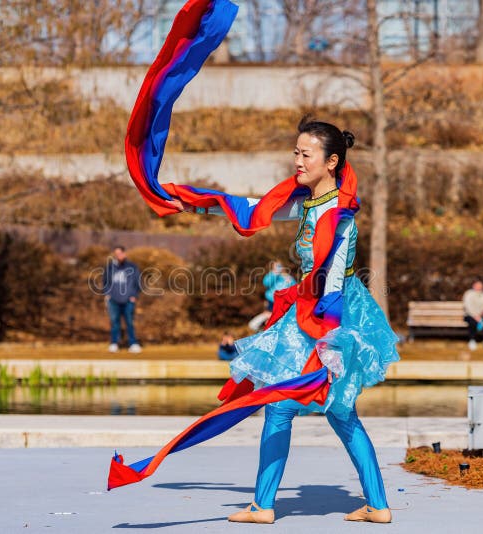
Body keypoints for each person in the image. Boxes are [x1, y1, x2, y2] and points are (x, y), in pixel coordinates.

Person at [167, 119, 399, 524]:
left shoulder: (338, 213)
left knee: (284, 408)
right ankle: (376, 505)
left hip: (328, 315)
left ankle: (264, 505)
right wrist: (196, 203)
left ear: (330, 162)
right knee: (338, 413)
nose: (296, 160)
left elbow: (333, 271)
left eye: (304, 154)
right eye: (295, 152)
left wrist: (330, 340)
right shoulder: (310, 202)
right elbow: (260, 208)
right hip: (317, 310)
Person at [102, 246, 142, 354]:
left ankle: (133, 343)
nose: (118, 256)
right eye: (116, 254)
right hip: (113, 300)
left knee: (129, 322)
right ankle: (114, 343)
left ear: (124, 254)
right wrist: (107, 294)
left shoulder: (132, 267)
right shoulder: (110, 267)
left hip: (128, 300)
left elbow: (138, 282)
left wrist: (134, 295)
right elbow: (105, 282)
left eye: (120, 253)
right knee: (115, 322)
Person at [248, 260, 295, 331]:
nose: (278, 268)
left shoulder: (288, 278)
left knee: (280, 320)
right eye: (276, 266)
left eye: (279, 266)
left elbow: (294, 289)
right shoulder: (271, 275)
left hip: (284, 303)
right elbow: (266, 283)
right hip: (271, 301)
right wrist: (274, 274)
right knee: (268, 318)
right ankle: (264, 330)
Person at [462, 279, 483, 351]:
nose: (479, 287)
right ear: (473, 286)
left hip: (482, 316)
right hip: (470, 315)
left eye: (480, 286)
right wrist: (475, 316)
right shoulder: (468, 294)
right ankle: (472, 340)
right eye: (477, 285)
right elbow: (467, 306)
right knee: (472, 322)